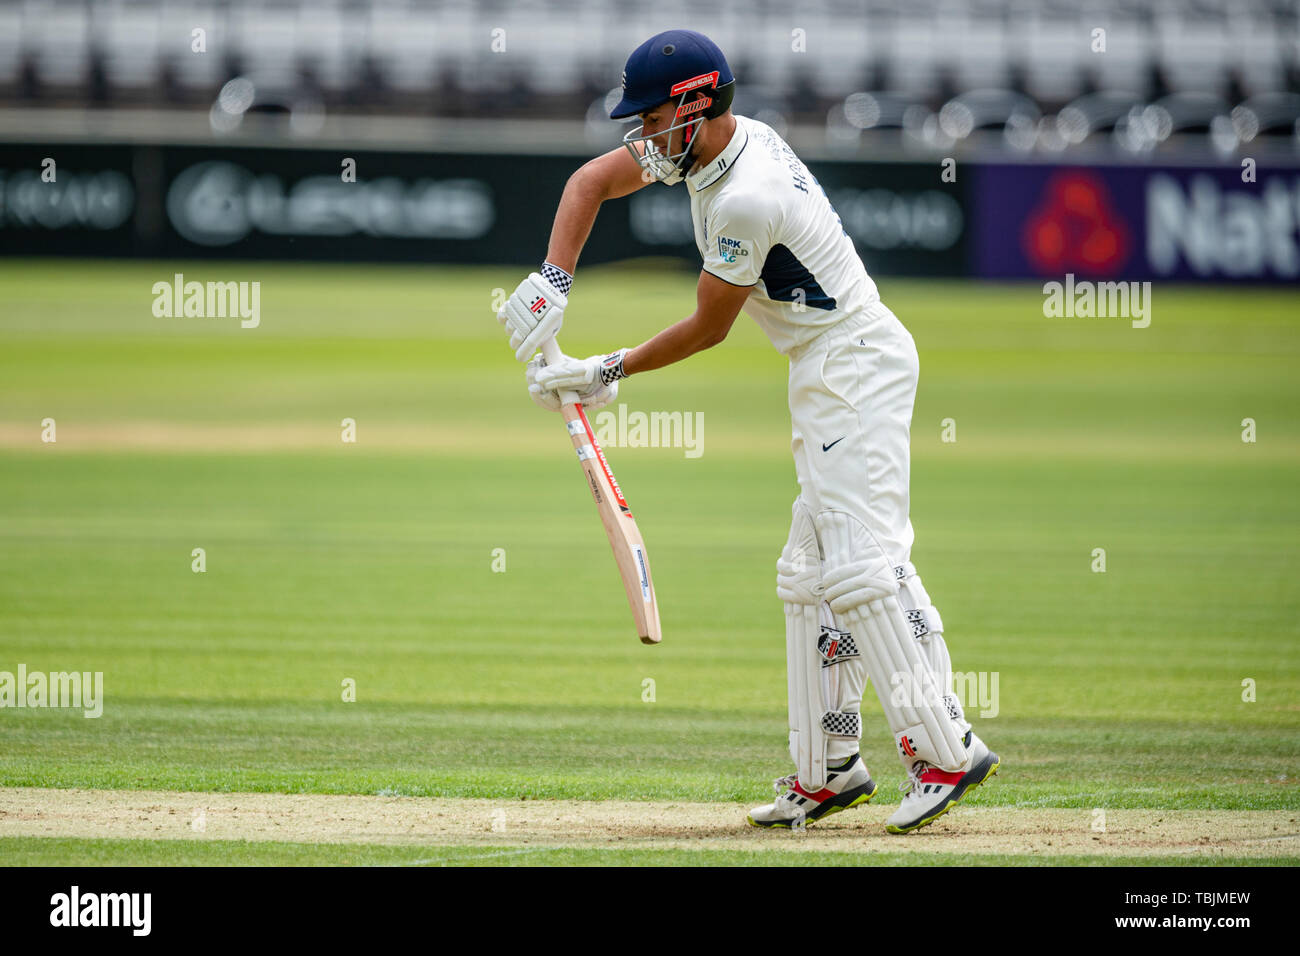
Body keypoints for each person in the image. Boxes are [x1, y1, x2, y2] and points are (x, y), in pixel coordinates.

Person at [497, 29, 999, 833]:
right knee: (809, 573)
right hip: (826, 370)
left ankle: (945, 747)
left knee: (866, 567)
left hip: (854, 366)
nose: (643, 135)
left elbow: (707, 328)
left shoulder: (745, 197)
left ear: (695, 107)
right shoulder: (711, 148)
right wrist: (553, 283)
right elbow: (588, 181)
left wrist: (603, 370)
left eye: (653, 117)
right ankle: (827, 769)